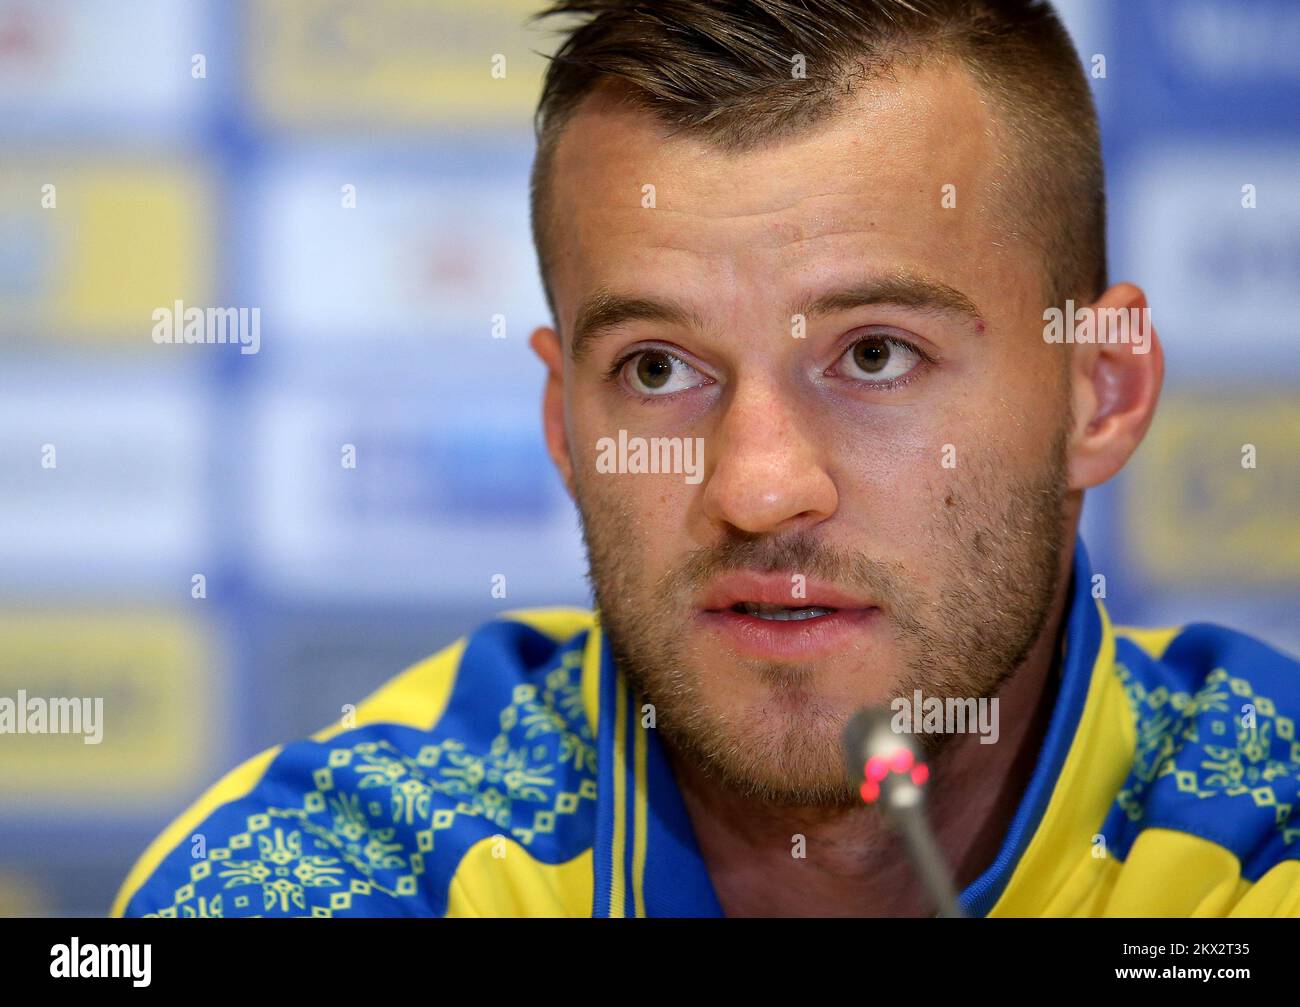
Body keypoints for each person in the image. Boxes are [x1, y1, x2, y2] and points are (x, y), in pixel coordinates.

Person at [114, 0, 1300, 918]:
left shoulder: (1265, 839)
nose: (757, 487)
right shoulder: (330, 870)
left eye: (875, 353)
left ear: (1102, 389)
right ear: (563, 424)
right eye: (655, 368)